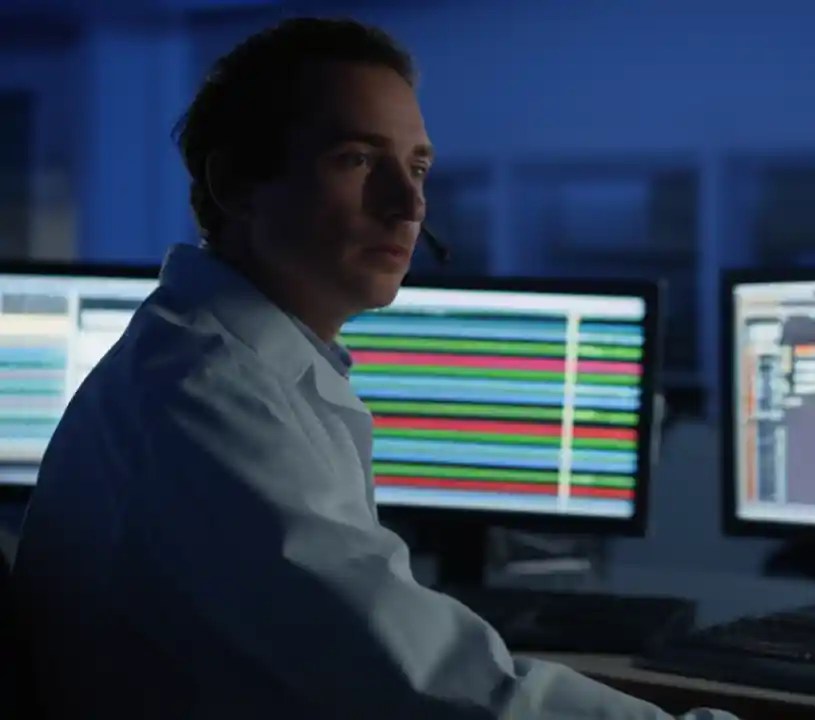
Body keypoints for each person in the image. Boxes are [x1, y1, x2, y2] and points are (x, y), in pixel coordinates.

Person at [12, 17, 735, 719]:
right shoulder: (207, 393)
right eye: (357, 159)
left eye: (417, 167)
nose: (409, 203)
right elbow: (426, 686)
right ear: (235, 183)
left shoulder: (241, 358)